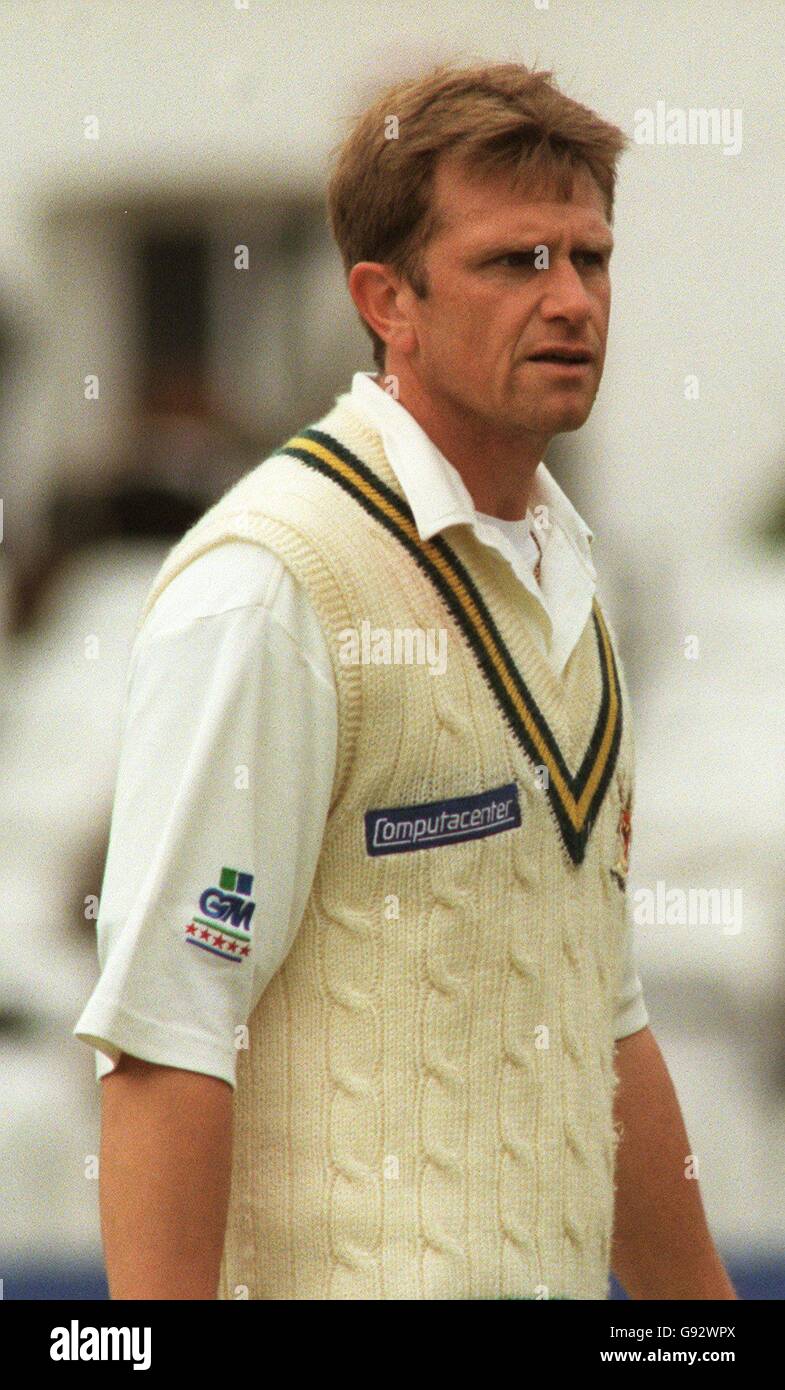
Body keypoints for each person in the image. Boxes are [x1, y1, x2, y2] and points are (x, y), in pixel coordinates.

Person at [73, 61, 736, 1301]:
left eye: (589, 259)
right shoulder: (267, 585)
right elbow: (165, 1040)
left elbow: (605, 1018)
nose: (571, 301)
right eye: (513, 262)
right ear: (387, 300)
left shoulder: (566, 580)